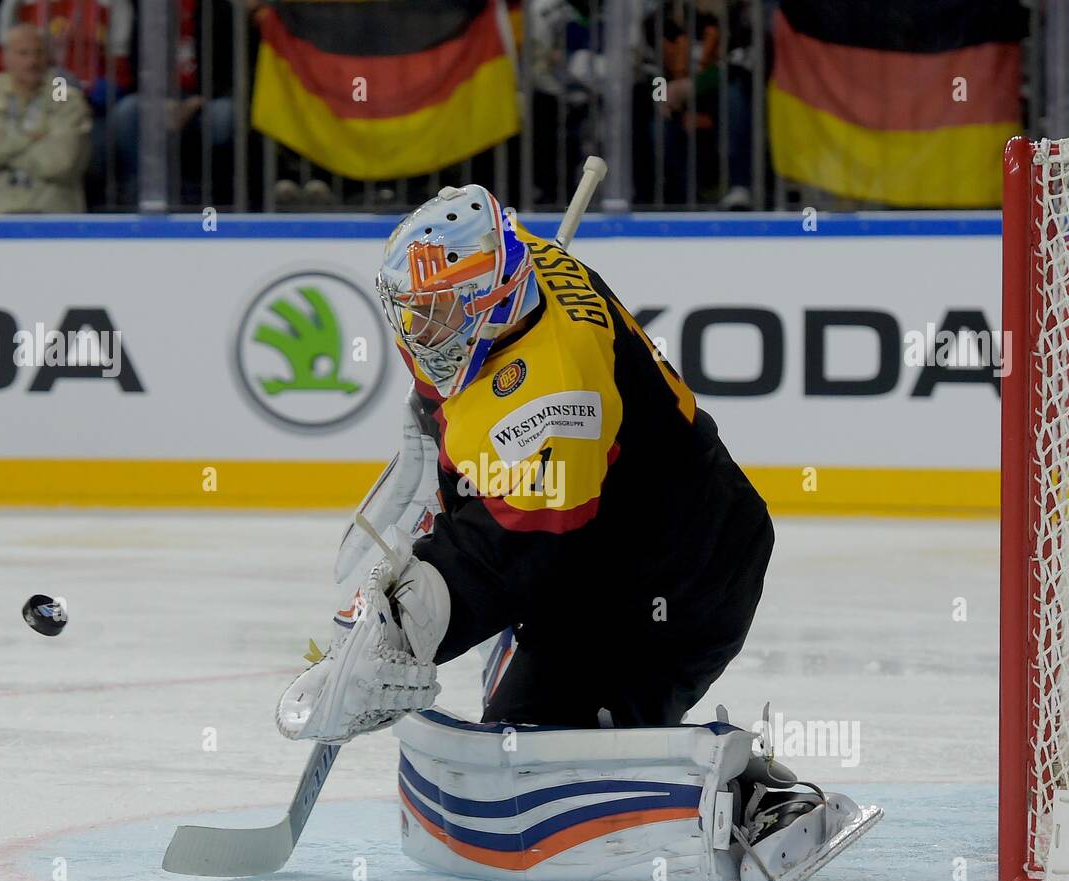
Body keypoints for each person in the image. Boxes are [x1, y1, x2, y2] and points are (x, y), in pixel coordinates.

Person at [280, 182, 773, 737]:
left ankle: (747, 797)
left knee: (541, 742)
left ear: (491, 304)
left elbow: (509, 557)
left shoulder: (556, 401)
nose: (416, 331)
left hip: (676, 571)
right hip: (606, 525)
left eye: (435, 313)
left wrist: (406, 633)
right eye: (415, 311)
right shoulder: (513, 256)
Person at [0, 24, 92, 213]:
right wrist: (28, 139)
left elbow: (60, 162)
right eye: (23, 53)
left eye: (38, 53)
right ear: (5, 57)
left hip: (50, 216)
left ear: (47, 57)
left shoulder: (63, 96)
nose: (32, 61)